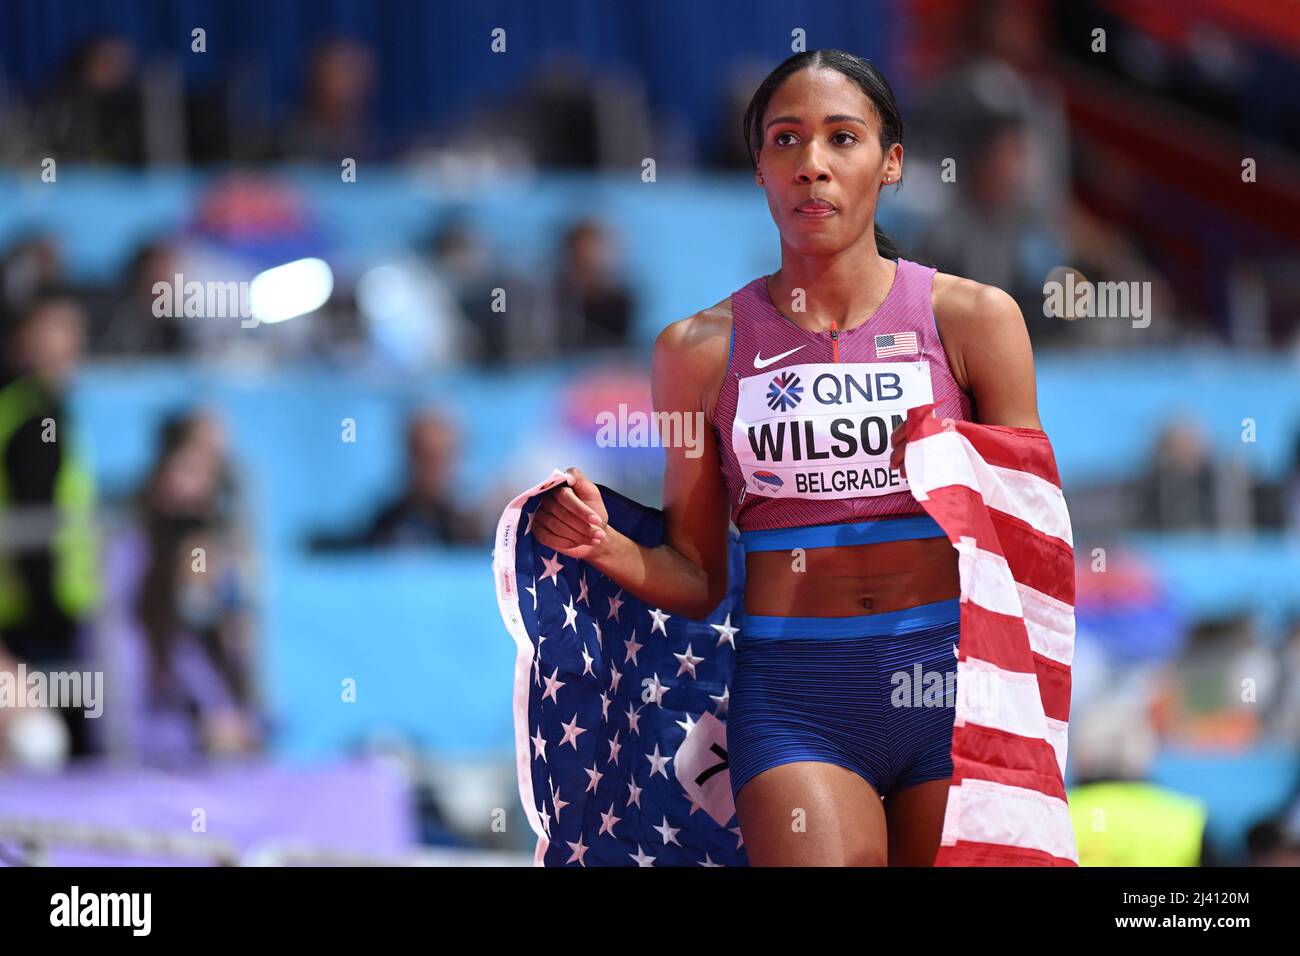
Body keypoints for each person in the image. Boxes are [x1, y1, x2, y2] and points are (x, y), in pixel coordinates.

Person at [530, 50, 1047, 866]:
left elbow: (1031, 557)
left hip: (953, 692)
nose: (813, 166)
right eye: (786, 142)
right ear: (761, 169)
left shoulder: (977, 322)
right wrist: (605, 546)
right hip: (798, 703)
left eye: (843, 138)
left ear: (892, 163)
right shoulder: (696, 352)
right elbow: (699, 578)